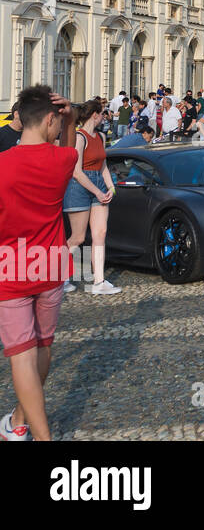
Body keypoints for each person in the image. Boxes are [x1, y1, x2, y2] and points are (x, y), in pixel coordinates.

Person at [0, 85, 78, 441]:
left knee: (21, 355)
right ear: (50, 119)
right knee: (44, 345)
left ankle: (39, 436)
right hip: (51, 264)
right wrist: (72, 118)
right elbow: (67, 145)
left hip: (12, 267)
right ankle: (18, 419)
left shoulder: (2, 166)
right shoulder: (62, 161)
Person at [63, 99, 119, 295]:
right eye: (102, 113)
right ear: (94, 115)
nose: (104, 117)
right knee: (77, 237)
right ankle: (60, 278)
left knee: (100, 234)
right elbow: (76, 171)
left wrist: (110, 187)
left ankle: (99, 281)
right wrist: (96, 190)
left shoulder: (101, 137)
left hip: (98, 183)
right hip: (80, 186)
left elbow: (102, 164)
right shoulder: (80, 137)